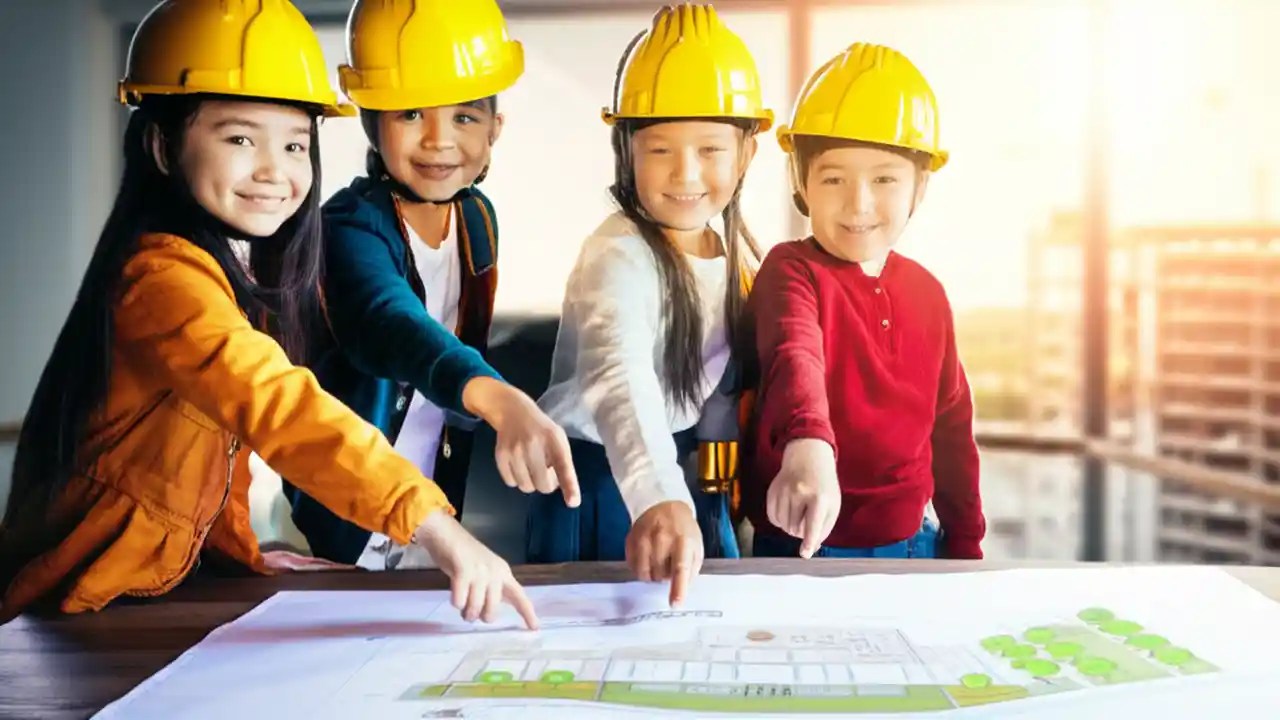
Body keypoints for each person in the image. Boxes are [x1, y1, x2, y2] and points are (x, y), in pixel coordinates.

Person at [0, 0, 537, 629]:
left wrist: (240, 556)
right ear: (163, 147)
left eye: (293, 144)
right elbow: (276, 402)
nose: (273, 172)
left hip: (138, 591)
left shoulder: (229, 266)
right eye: (239, 138)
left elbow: (211, 441)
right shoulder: (160, 277)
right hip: (75, 603)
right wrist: (436, 526)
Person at [284, 0, 581, 571]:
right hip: (347, 516)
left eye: (465, 117)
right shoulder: (347, 228)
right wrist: (499, 397)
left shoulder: (477, 221)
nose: (439, 141)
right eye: (411, 114)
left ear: (497, 127)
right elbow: (392, 325)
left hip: (435, 505)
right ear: (369, 118)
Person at [531, 3, 771, 604]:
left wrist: (706, 497)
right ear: (626, 149)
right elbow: (622, 379)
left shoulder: (735, 249)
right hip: (601, 484)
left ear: (747, 154)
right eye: (660, 149)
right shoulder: (618, 253)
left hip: (684, 477)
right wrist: (660, 496)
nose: (685, 173)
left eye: (711, 150)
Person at [743, 41, 985, 561]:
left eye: (884, 179)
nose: (859, 204)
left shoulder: (928, 293)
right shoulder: (791, 270)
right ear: (801, 183)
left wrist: (966, 542)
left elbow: (951, 426)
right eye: (834, 178)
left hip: (917, 548)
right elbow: (795, 354)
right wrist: (807, 444)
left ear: (919, 189)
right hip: (803, 550)